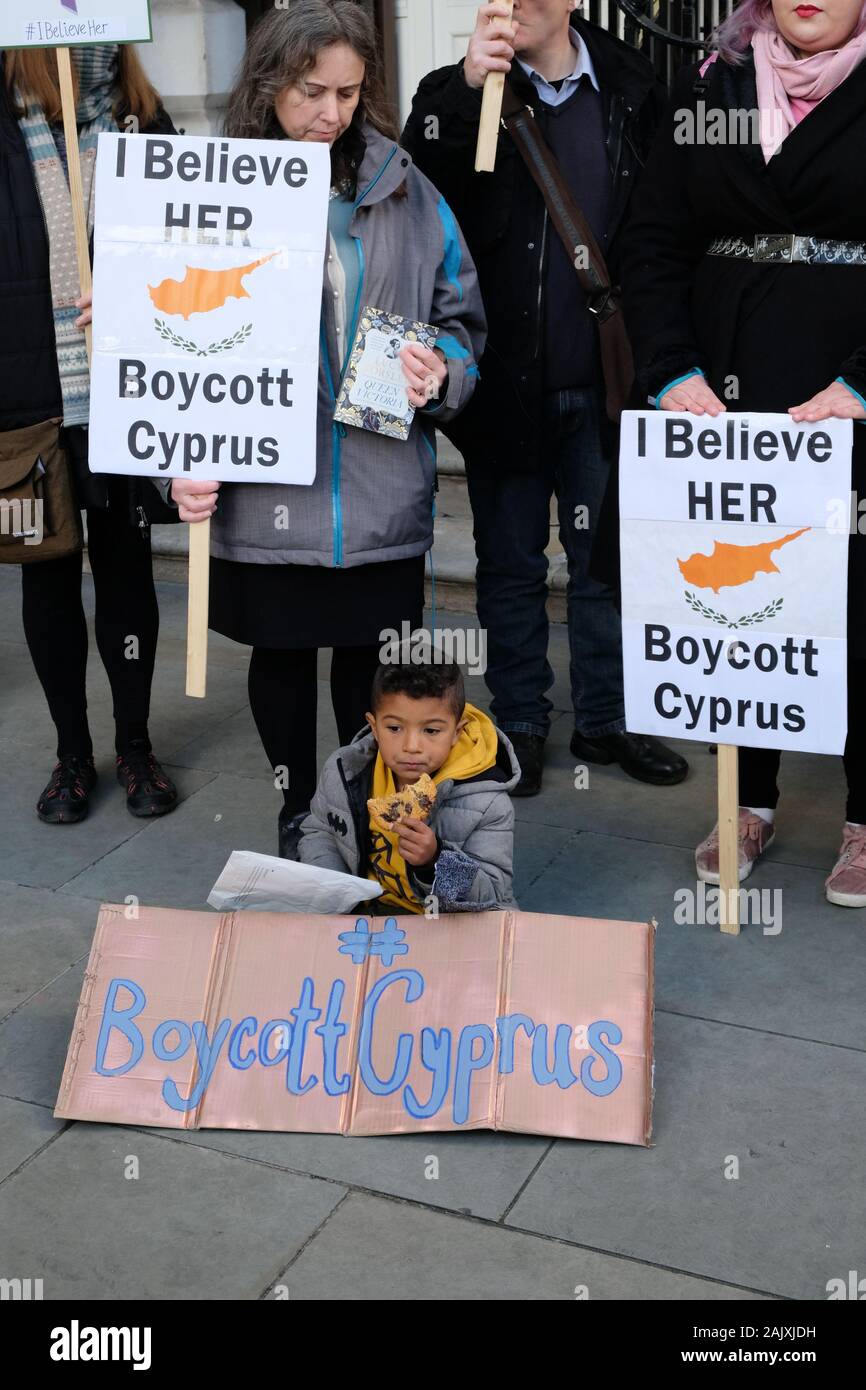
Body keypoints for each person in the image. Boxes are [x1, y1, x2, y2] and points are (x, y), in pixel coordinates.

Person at [169, 0, 485, 859]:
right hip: (269, 481)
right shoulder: (208, 187)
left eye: (348, 93)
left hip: (377, 483)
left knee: (367, 659)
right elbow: (165, 317)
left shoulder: (404, 185)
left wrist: (443, 369)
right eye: (312, 91)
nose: (331, 113)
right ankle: (293, 805)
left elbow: (462, 320)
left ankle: (353, 809)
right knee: (279, 648)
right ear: (270, 83)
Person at [401, 0, 688, 795]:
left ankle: (608, 720)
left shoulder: (633, 85)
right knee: (511, 566)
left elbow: (667, 224)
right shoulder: (454, 93)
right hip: (504, 382)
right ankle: (520, 721)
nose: (512, 4)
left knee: (606, 566)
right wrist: (467, 88)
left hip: (606, 380)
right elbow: (422, 186)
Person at [620, 0, 866, 904]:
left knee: (859, 603)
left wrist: (864, 382)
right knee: (735, 601)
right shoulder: (711, 90)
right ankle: (744, 799)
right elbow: (650, 242)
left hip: (851, 402)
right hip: (726, 399)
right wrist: (670, 367)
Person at [1, 43, 179, 824]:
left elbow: (187, 242)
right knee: (46, 576)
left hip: (125, 392)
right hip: (29, 393)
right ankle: (72, 754)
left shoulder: (140, 116)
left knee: (128, 575)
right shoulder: (6, 115)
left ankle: (135, 746)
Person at [299, 657, 520, 913]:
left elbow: (492, 894)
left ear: (457, 732)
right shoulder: (344, 771)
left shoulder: (487, 801)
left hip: (447, 923)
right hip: (366, 911)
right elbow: (319, 832)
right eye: (394, 728)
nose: (411, 746)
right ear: (374, 726)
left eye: (431, 731)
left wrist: (435, 860)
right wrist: (334, 890)